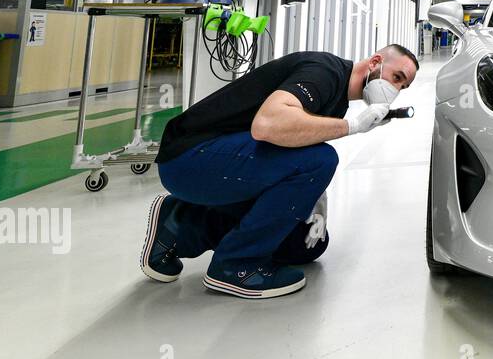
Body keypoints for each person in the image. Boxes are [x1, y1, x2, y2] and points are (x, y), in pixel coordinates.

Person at [139, 45, 419, 299]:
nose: (396, 90)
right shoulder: (324, 72)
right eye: (396, 77)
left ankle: (177, 227)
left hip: (221, 162)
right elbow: (268, 124)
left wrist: (315, 201)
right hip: (190, 158)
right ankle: (236, 266)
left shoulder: (338, 100)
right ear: (375, 62)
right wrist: (352, 126)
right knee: (321, 159)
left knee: (305, 245)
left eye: (403, 87)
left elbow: (296, 143)